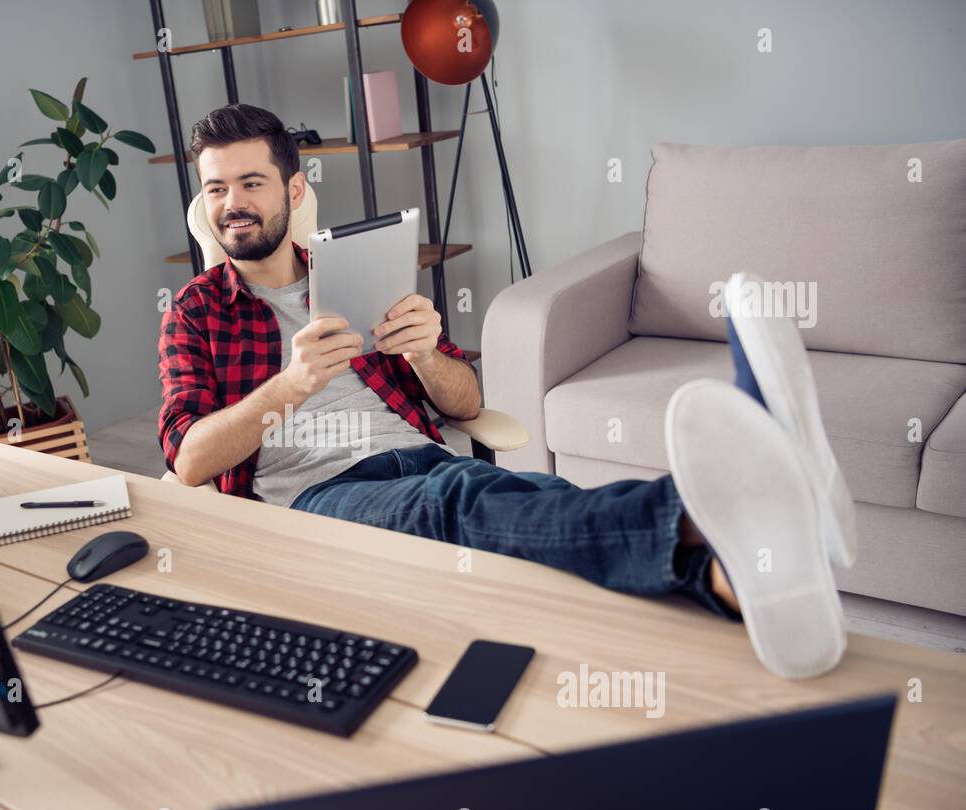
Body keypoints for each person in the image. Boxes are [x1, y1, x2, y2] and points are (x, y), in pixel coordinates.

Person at [158, 104, 855, 679]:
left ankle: (734, 583)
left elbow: (466, 405)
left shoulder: (354, 274)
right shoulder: (194, 312)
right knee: (461, 502)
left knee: (542, 501)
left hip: (424, 459)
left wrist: (425, 352)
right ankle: (730, 500)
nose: (232, 205)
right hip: (319, 497)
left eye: (250, 183)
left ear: (293, 191)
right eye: (215, 189)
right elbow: (189, 460)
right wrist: (290, 386)